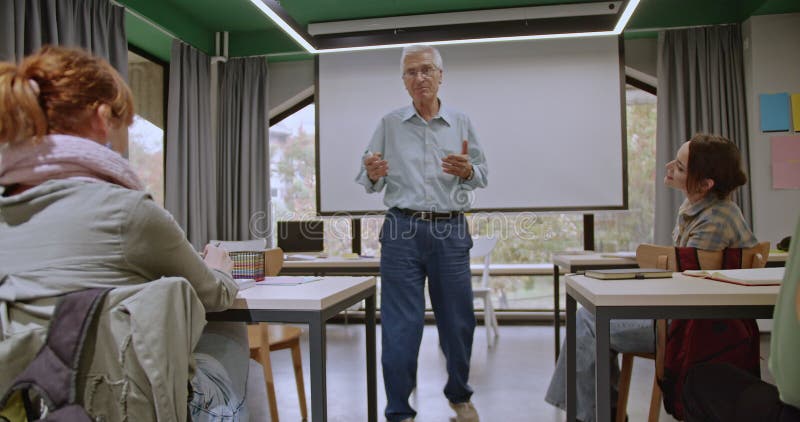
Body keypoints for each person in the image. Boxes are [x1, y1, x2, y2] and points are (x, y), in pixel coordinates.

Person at [0, 46, 253, 421]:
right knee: (226, 337)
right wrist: (220, 269)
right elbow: (213, 295)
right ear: (103, 119)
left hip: (21, 404)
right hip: (117, 407)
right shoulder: (128, 212)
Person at [545, 133, 757, 421]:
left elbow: (685, 288)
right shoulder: (706, 210)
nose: (669, 167)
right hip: (687, 317)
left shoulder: (714, 219)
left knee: (588, 322)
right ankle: (598, 412)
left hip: (689, 328)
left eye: (680, 167)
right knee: (591, 320)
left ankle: (591, 416)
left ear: (706, 184)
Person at [355, 45, 488, 422]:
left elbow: (483, 173)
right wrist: (374, 172)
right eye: (411, 72)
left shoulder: (461, 123)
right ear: (404, 81)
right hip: (401, 230)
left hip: (449, 229)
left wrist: (467, 172)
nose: (420, 78)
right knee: (400, 326)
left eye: (427, 70)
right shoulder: (389, 124)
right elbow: (368, 175)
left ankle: (459, 393)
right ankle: (399, 409)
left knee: (459, 322)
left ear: (441, 75)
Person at [681, 214, 800, 422]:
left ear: (706, 183)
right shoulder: (723, 213)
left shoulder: (713, 218)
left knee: (699, 381)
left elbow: (791, 384)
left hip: (792, 409)